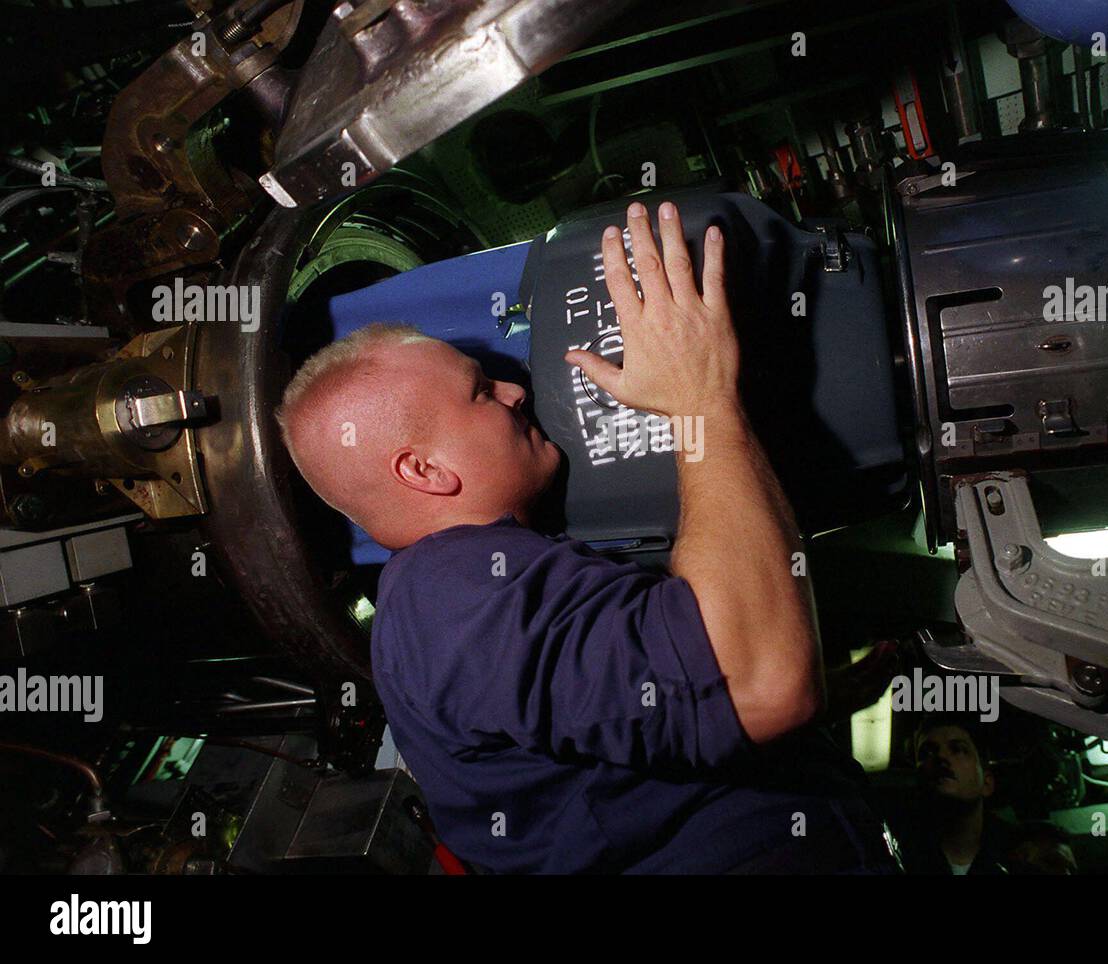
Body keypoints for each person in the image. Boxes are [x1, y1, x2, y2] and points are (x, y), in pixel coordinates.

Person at [275, 199, 898, 873]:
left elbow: (650, 725)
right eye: (480, 392)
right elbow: (761, 685)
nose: (515, 391)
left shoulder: (463, 590)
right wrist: (698, 399)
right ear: (424, 470)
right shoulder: (452, 599)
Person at [894, 713, 1012, 875]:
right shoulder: (894, 859)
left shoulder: (1020, 857)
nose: (941, 757)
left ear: (987, 782)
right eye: (927, 753)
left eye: (959, 750)